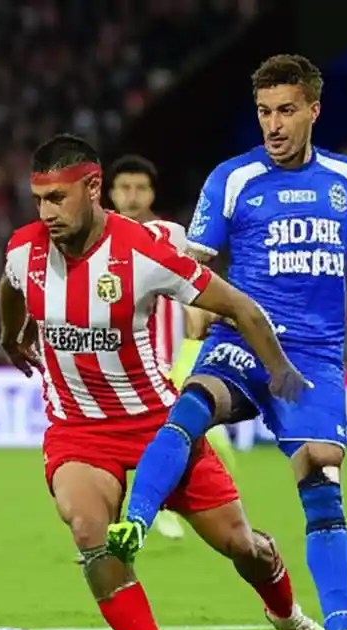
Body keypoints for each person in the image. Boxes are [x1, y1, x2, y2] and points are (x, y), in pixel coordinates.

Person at [108, 54, 347, 630]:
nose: (274, 124)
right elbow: (192, 266)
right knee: (193, 404)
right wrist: (191, 325)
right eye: (265, 112)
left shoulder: (346, 180)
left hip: (315, 359)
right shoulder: (232, 179)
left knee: (322, 478)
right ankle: (135, 524)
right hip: (245, 340)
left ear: (314, 110)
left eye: (287, 111)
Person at [0, 134, 341, 630]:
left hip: (156, 427)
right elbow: (10, 288)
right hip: (77, 429)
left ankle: (289, 616)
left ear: (91, 187)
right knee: (89, 532)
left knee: (241, 546)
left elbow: (239, 307)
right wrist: (11, 337)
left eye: (58, 198)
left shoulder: (142, 251)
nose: (46, 213)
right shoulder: (24, 251)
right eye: (38, 200)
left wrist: (280, 372)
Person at [107, 153, 239, 542]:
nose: (131, 196)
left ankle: (168, 501)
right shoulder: (96, 238)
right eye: (124, 187)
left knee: (213, 440)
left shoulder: (173, 236)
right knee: (122, 443)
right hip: (121, 360)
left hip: (176, 354)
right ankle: (141, 512)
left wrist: (201, 315)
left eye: (140, 188)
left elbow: (195, 283)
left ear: (152, 193)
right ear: (110, 192)